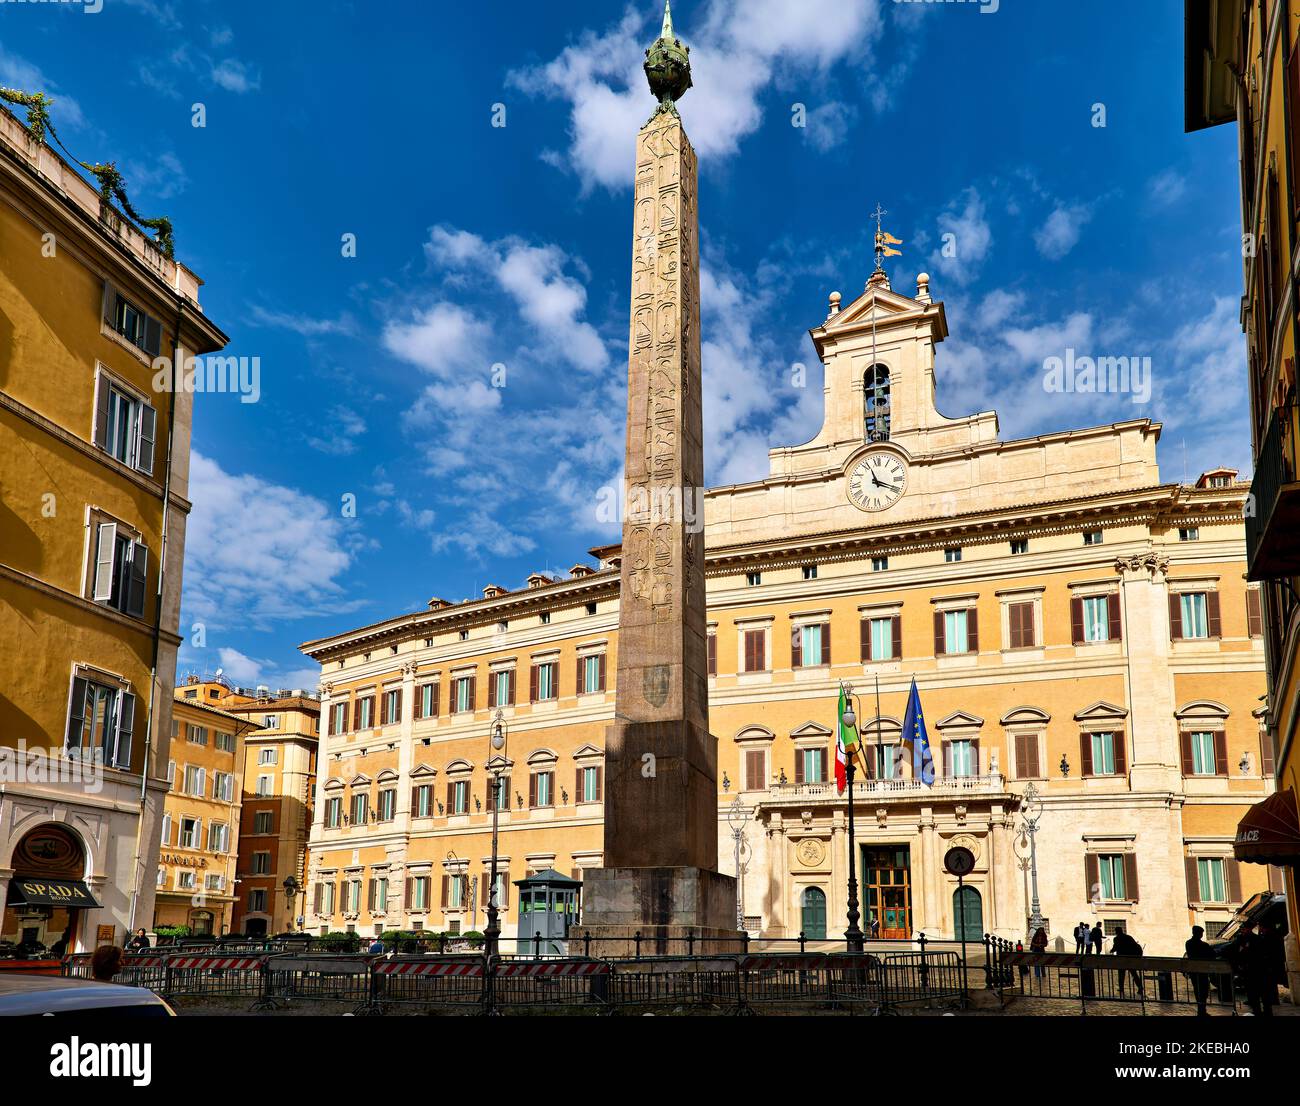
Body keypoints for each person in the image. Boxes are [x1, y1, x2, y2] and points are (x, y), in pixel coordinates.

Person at [1247, 920, 1284, 1017]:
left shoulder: (1265, 938)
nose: (1260, 929)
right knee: (1266, 992)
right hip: (1267, 969)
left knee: (1261, 992)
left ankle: (1261, 1011)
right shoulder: (1269, 937)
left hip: (1263, 969)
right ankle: (1267, 1010)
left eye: (1260, 927)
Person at [1183, 925, 1214, 1016]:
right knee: (1203, 991)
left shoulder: (1188, 943)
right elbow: (1212, 954)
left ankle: (1201, 1010)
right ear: (1200, 934)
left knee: (1198, 990)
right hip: (1202, 971)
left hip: (1193, 971)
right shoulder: (1204, 945)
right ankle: (1202, 1011)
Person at [1111, 928, 1143, 997]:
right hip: (1130, 959)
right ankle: (1140, 987)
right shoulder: (1128, 937)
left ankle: (1121, 987)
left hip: (1122, 959)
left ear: (1116, 932)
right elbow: (1135, 945)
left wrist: (1111, 951)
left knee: (1121, 974)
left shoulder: (1116, 939)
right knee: (1134, 973)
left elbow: (1114, 948)